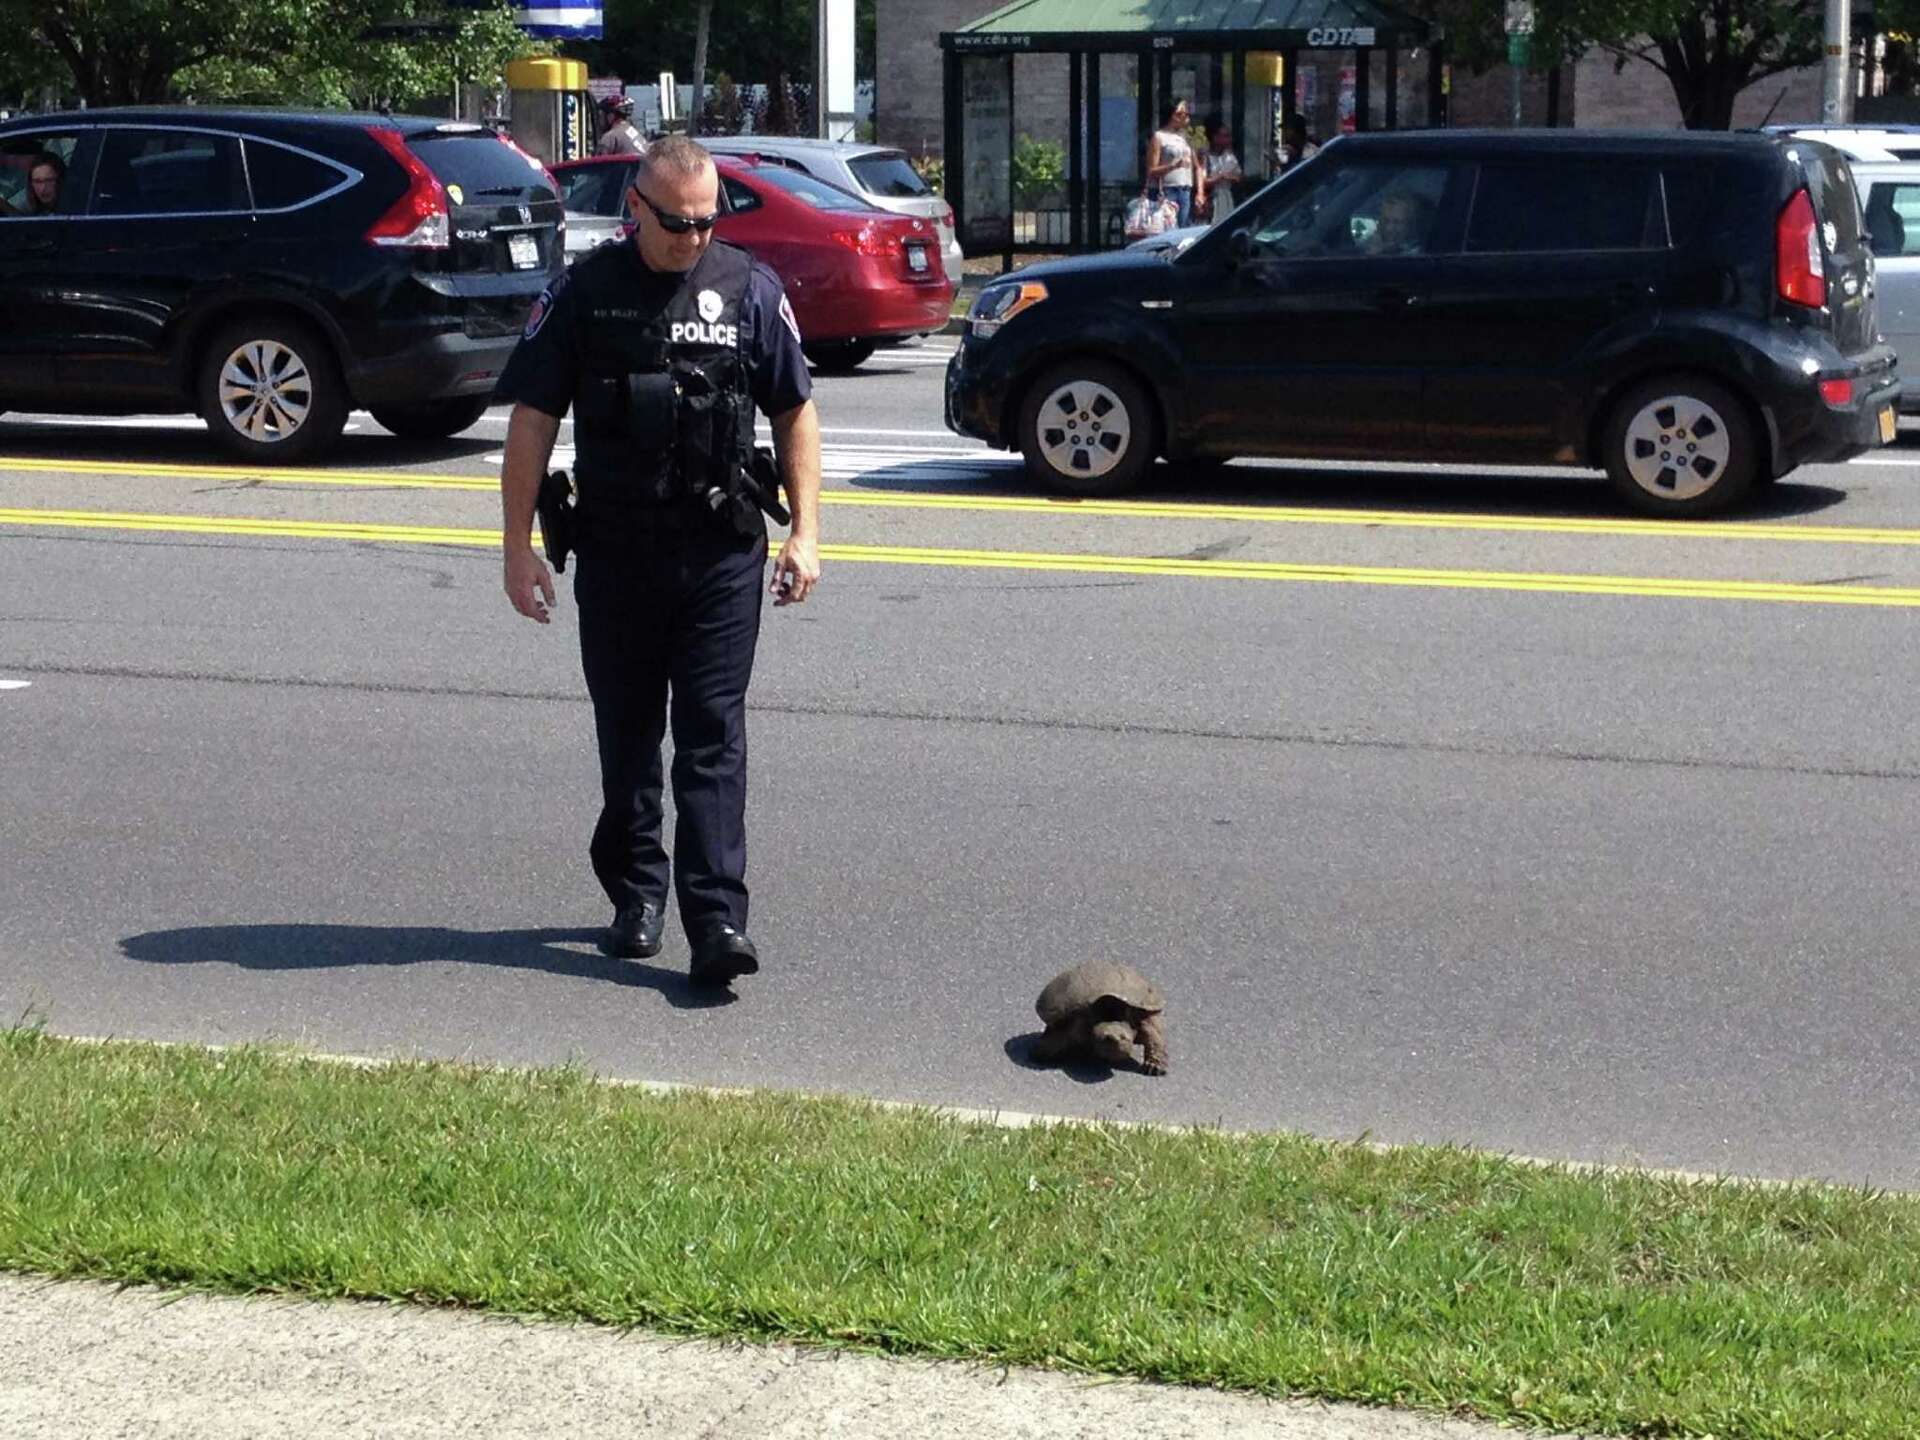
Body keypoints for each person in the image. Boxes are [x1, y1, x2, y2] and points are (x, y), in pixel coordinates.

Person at [495, 135, 822, 989]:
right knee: (630, 734)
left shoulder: (750, 289)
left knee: (712, 736)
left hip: (720, 554)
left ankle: (716, 920)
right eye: (678, 223)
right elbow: (532, 420)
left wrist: (807, 532)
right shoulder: (584, 293)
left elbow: (794, 410)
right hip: (617, 553)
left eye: (709, 221)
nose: (695, 238)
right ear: (635, 207)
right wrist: (517, 547)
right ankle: (636, 895)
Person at [1144, 99, 1196, 228]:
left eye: (1187, 113)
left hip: (1185, 188)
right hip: (1167, 190)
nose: (1186, 117)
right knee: (1168, 228)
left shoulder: (1185, 137)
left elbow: (1197, 166)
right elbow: (1151, 170)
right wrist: (1173, 166)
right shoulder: (1159, 137)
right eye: (1182, 113)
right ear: (1173, 115)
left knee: (1183, 229)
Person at [1363, 189, 1433, 256]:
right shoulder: (1369, 243)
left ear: (1411, 224)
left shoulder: (1418, 253)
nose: (1389, 228)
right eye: (1385, 220)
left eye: (1398, 223)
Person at [1200, 122, 1242, 223]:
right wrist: (1220, 177)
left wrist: (1233, 178)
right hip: (1212, 199)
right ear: (1215, 137)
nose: (1229, 140)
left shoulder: (1229, 157)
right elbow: (1203, 182)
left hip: (1227, 198)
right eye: (1225, 136)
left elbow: (1239, 177)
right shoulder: (1206, 157)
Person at [0, 151, 64, 216]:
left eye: (49, 180)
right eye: (37, 182)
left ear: (60, 180)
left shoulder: (68, 209)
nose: (43, 188)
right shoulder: (28, 205)